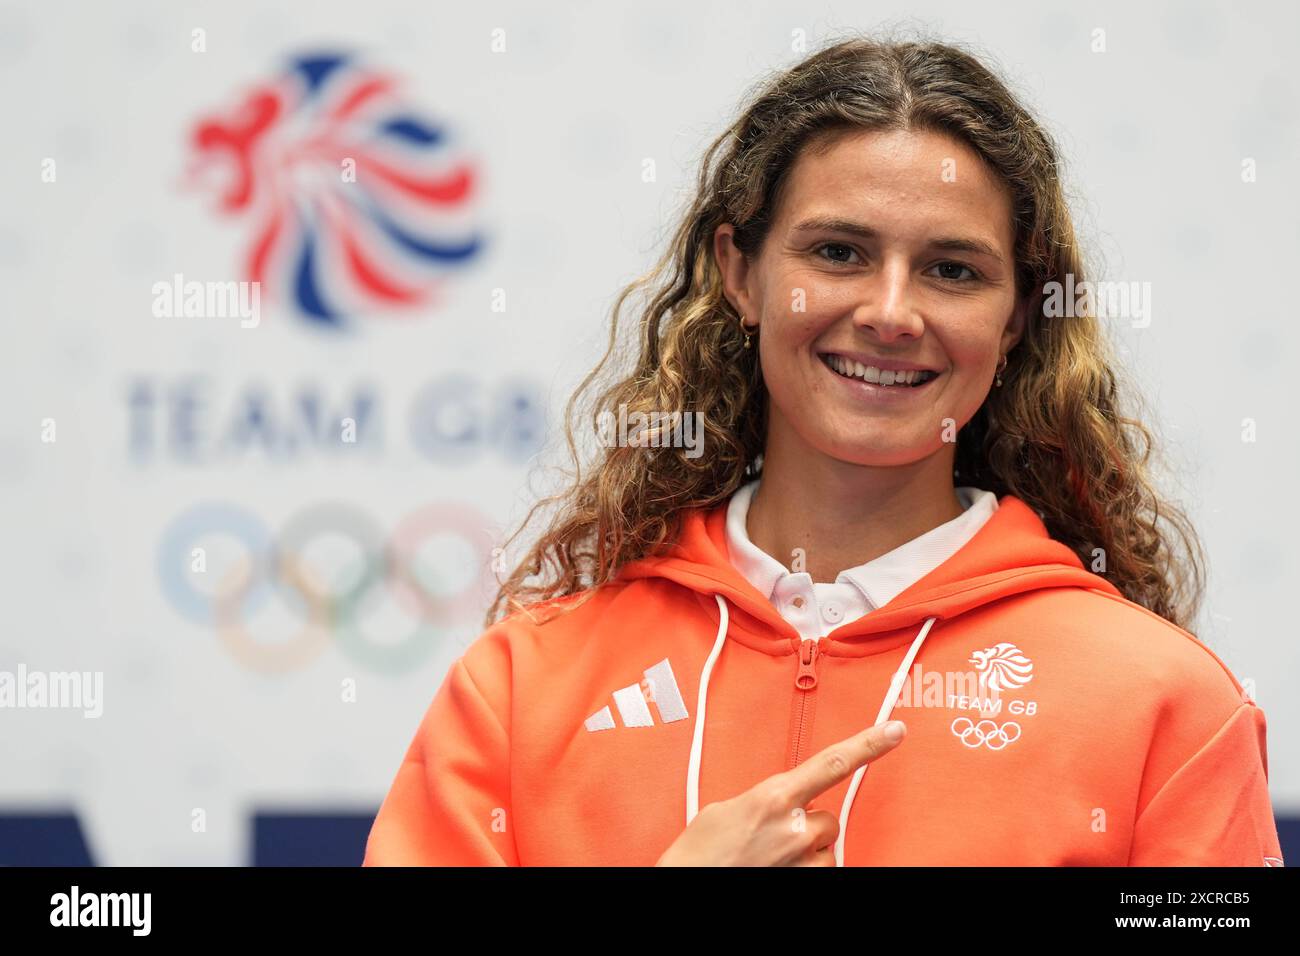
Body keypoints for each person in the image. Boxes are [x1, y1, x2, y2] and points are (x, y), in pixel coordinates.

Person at [363, 35, 1284, 866]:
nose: (890, 312)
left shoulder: (1164, 705)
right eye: (839, 252)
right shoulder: (525, 686)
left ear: (1014, 320)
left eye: (952, 270)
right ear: (741, 273)